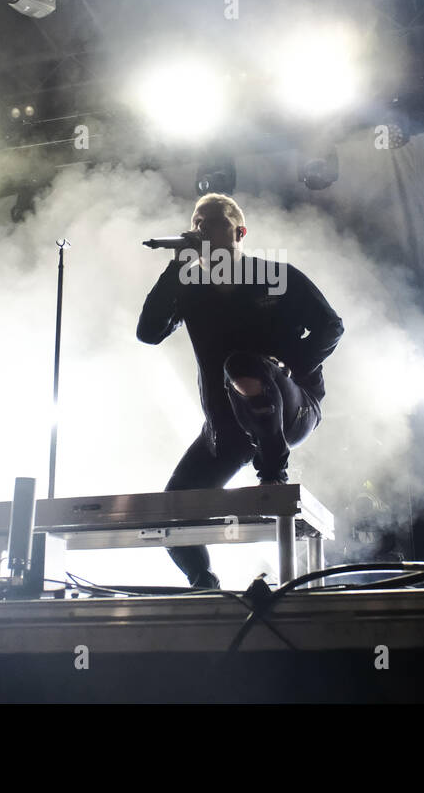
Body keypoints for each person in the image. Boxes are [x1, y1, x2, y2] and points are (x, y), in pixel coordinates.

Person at [136, 194, 343, 589]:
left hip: (292, 406)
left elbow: (331, 325)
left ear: (239, 232)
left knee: (242, 366)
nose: (200, 230)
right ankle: (203, 583)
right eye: (196, 223)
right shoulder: (191, 289)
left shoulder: (275, 275)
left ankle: (272, 473)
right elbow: (148, 333)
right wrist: (178, 265)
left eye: (212, 222)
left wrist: (292, 365)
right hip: (226, 426)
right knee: (169, 511)